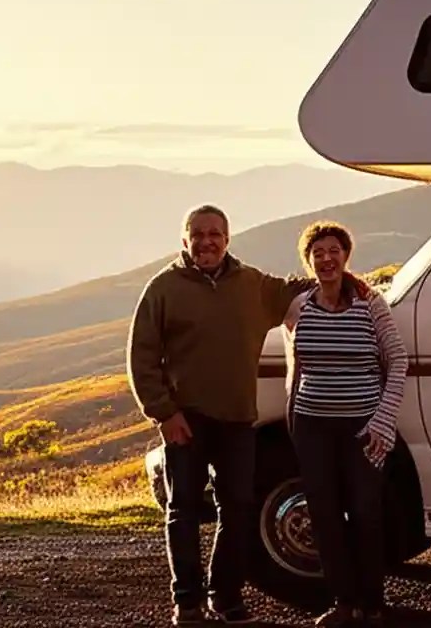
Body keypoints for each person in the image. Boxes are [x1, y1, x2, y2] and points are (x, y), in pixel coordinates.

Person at [127, 204, 314, 626]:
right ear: (185, 241)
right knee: (184, 511)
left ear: (227, 240)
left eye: (215, 234)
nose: (207, 242)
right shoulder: (163, 289)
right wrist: (163, 414)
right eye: (198, 234)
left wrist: (349, 280)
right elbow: (141, 358)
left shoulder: (251, 284)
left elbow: (294, 289)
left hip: (237, 420)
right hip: (184, 421)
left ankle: (225, 598)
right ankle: (187, 602)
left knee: (239, 510)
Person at [281, 220, 409, 627]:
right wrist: (293, 418)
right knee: (325, 514)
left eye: (333, 250)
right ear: (308, 262)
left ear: (345, 255)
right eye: (317, 253)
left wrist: (383, 422)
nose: (326, 258)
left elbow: (398, 361)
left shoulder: (371, 304)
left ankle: (373, 605)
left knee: (366, 512)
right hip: (312, 426)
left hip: (364, 430)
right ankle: (343, 603)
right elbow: (295, 367)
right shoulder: (300, 306)